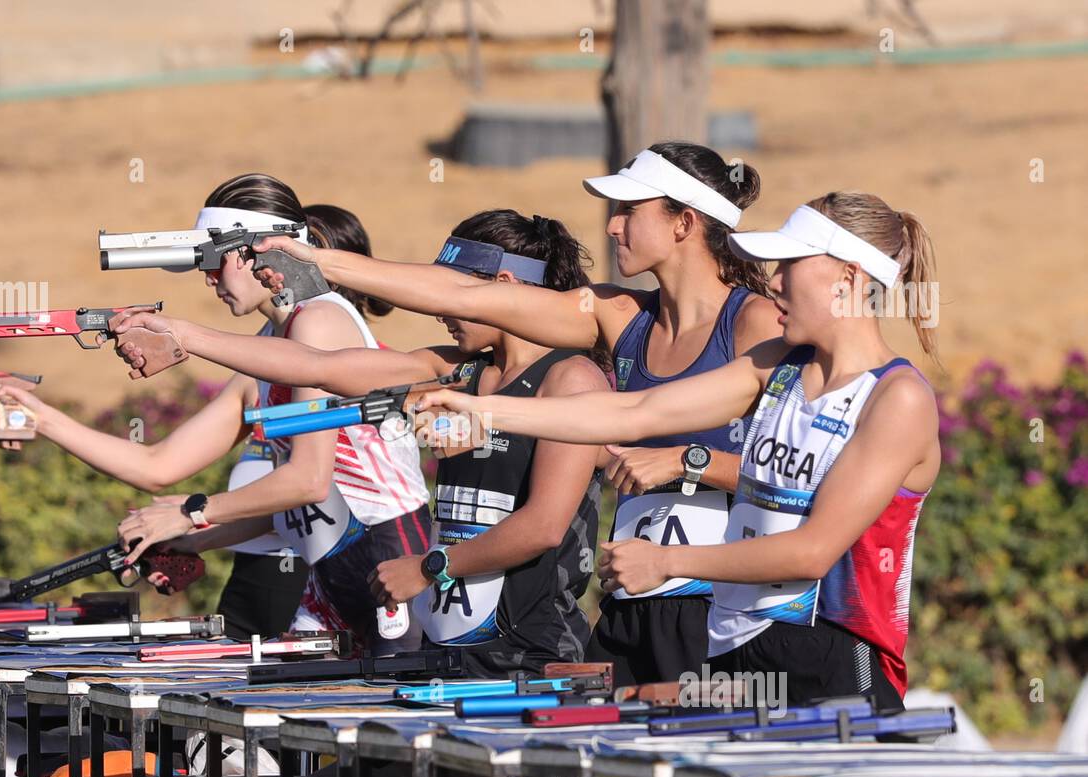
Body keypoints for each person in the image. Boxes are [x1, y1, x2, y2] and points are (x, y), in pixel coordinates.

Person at [250, 143, 781, 686]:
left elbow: (809, 478)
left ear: (684, 222)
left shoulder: (756, 322)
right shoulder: (619, 315)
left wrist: (689, 462)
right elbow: (464, 292)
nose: (613, 227)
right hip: (631, 602)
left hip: (722, 610)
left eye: (629, 211)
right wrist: (317, 260)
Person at [410, 191, 940, 710]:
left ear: (849, 277)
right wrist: (484, 410)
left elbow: (812, 551)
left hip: (836, 656)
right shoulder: (778, 373)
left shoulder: (898, 397)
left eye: (792, 264)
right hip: (734, 645)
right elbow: (633, 412)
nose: (774, 282)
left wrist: (667, 560)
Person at [116, 209, 611, 678]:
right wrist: (183, 334)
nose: (439, 312)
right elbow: (318, 366)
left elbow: (544, 526)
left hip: (532, 652)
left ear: (503, 288)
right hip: (447, 645)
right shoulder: (456, 369)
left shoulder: (571, 378)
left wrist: (430, 566)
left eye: (449, 295)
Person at [0, 178, 430, 653]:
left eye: (214, 261)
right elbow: (158, 466)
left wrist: (190, 515)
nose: (209, 279)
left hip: (388, 559)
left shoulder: (317, 322)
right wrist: (41, 418)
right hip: (331, 569)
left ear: (256, 252)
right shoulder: (274, 338)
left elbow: (309, 481)